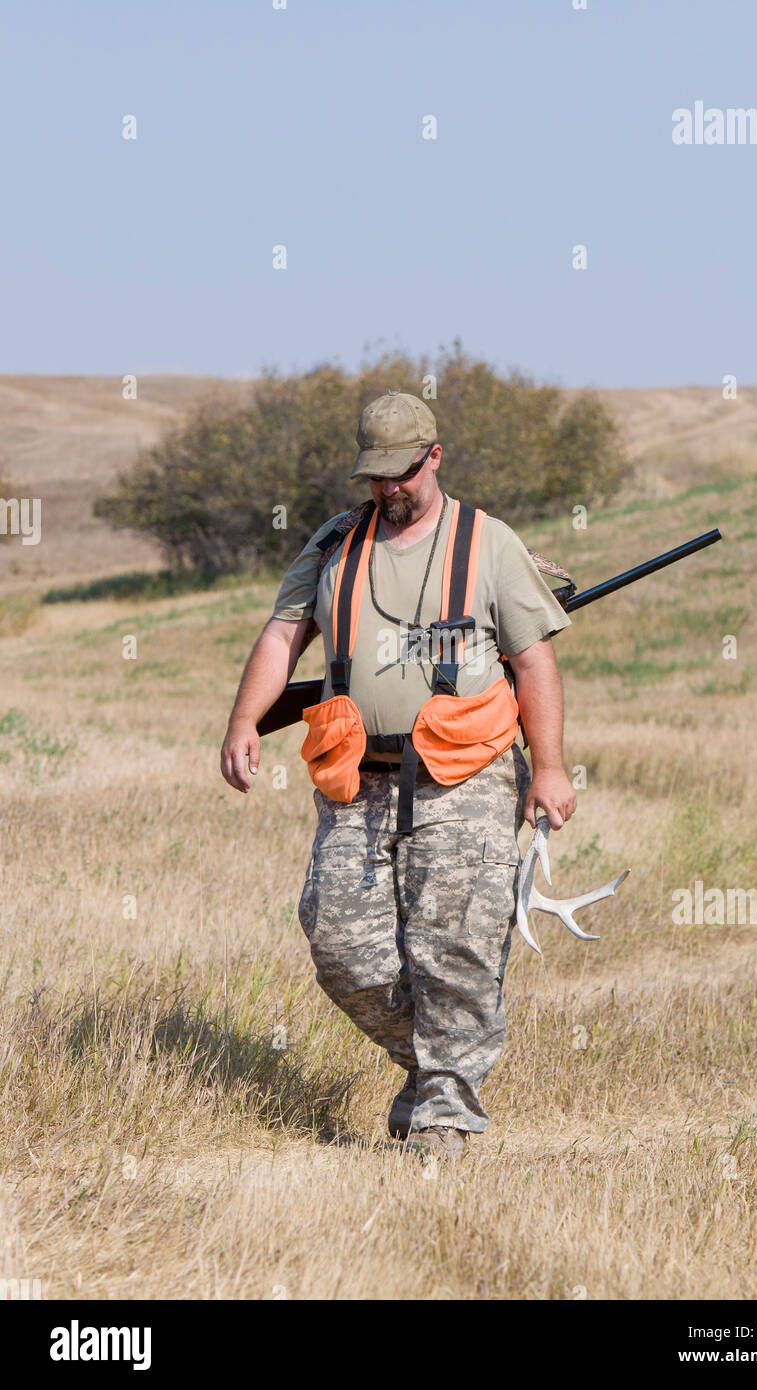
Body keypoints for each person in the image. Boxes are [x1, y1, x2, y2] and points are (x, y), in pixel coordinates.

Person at [220, 391, 577, 1159]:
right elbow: (285, 634)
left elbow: (533, 659)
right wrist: (244, 720)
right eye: (374, 476)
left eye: (401, 473)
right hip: (359, 775)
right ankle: (428, 1073)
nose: (388, 490)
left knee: (455, 945)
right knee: (341, 944)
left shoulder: (488, 544)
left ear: (434, 457)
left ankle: (446, 1114)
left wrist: (547, 767)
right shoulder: (332, 544)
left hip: (467, 773)